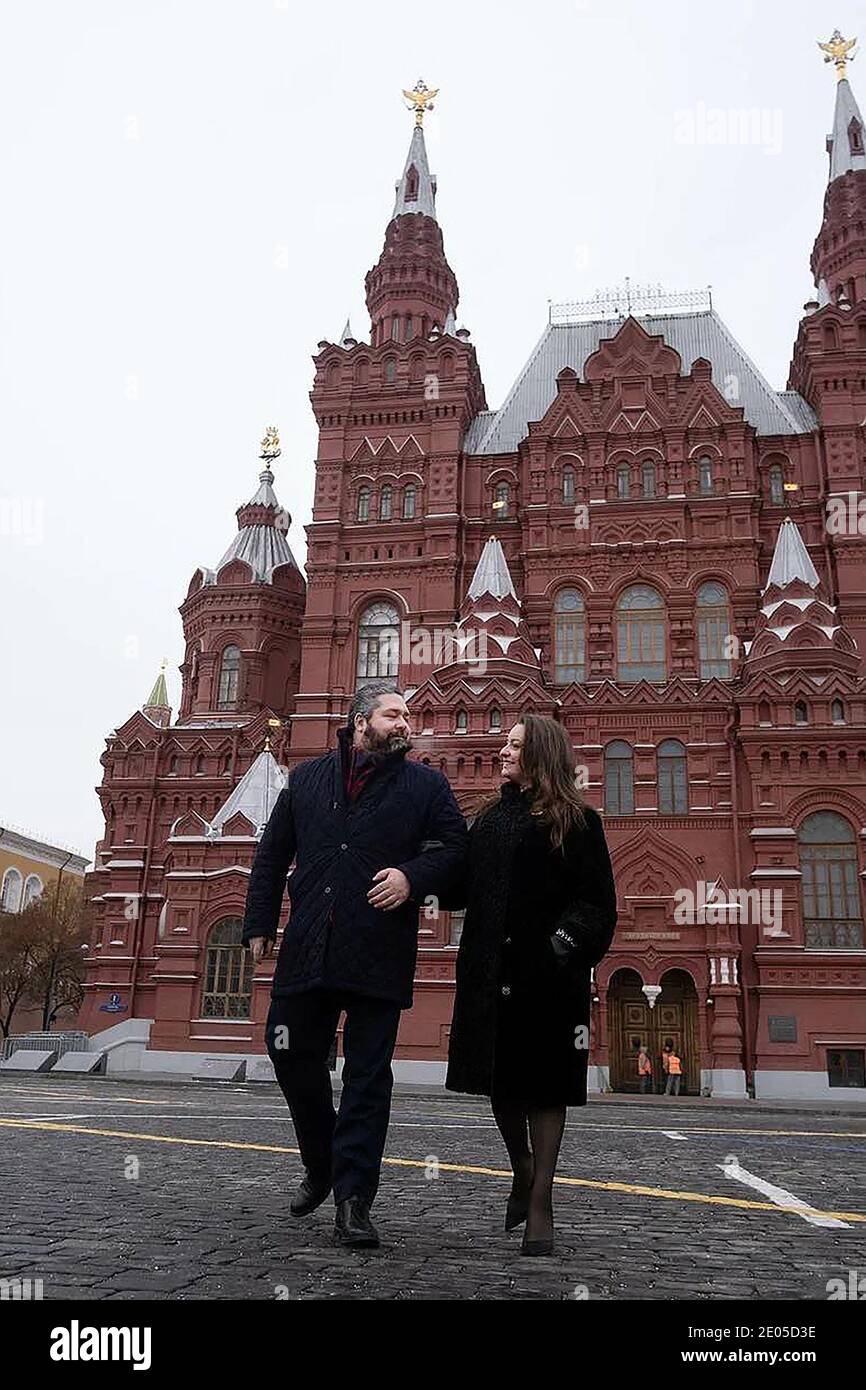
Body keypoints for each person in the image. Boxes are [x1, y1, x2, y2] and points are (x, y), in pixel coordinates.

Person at [242, 680, 468, 1249]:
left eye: (408, 715)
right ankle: (322, 1162)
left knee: (367, 1079)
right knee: (288, 1048)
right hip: (310, 941)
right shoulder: (309, 778)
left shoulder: (426, 784)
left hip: (378, 949)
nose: (405, 722)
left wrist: (412, 877)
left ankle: (352, 1201)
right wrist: (258, 923)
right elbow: (272, 853)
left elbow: (455, 850)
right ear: (360, 721)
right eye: (393, 714)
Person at [445, 714, 617, 1256]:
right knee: (500, 1082)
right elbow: (457, 886)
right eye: (504, 744)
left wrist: (560, 946)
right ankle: (521, 1166)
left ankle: (541, 1198)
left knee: (545, 1087)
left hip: (547, 978)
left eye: (514, 746)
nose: (502, 752)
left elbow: (597, 903)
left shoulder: (578, 821)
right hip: (488, 972)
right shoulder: (489, 817)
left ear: (540, 755)